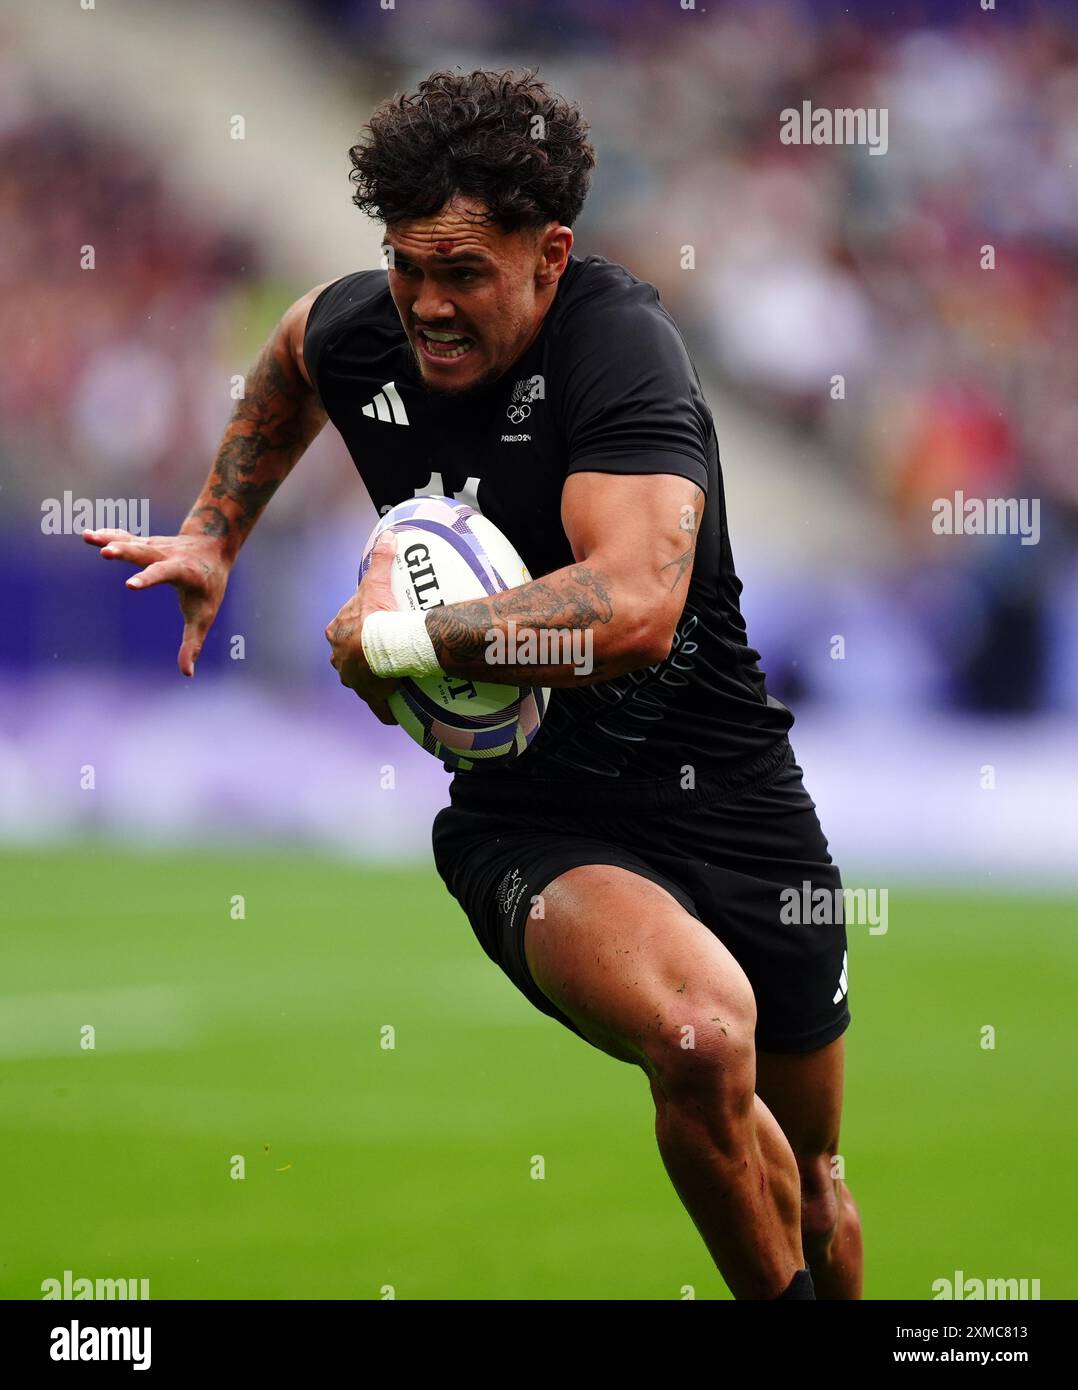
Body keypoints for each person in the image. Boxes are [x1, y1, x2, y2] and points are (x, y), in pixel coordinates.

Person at [85, 67, 861, 1300]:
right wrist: (215, 527)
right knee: (702, 1036)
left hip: (731, 790)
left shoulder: (620, 349)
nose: (427, 306)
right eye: (406, 268)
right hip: (532, 821)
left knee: (814, 1177)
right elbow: (290, 355)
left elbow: (639, 613)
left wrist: (404, 644)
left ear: (550, 255)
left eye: (464, 274)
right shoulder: (364, 326)